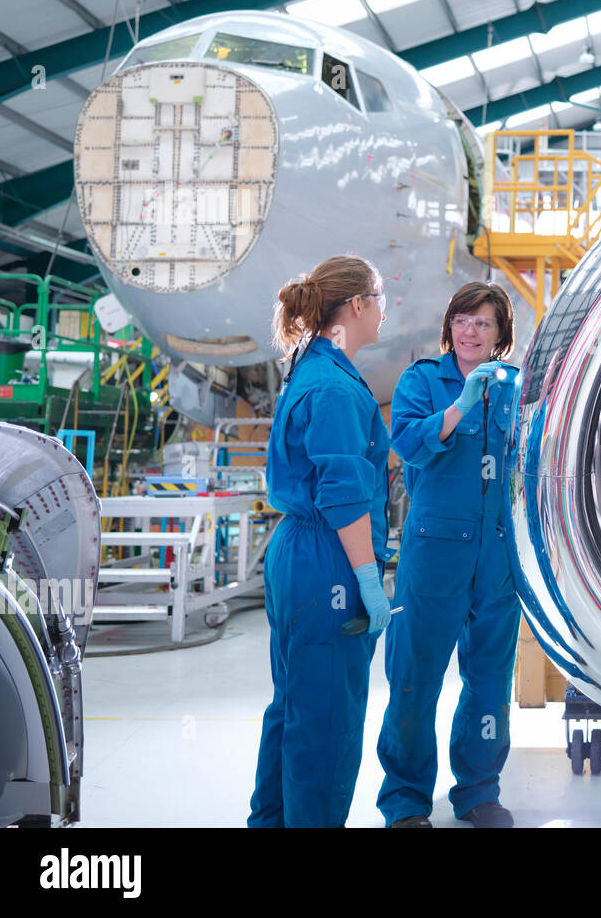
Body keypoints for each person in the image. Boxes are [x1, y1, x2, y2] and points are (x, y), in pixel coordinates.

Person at [248, 255, 393, 828]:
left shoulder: (311, 368)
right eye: (379, 296)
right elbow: (343, 497)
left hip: (298, 555)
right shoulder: (333, 387)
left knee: (293, 710)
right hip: (327, 558)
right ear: (357, 305)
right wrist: (366, 580)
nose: (385, 308)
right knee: (328, 720)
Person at [377, 281, 522, 829]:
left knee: (489, 679)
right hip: (434, 550)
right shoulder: (421, 380)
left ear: (499, 334)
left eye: (483, 323)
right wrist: (460, 408)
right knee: (415, 676)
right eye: (462, 320)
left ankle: (479, 792)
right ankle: (407, 801)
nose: (470, 331)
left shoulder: (515, 388)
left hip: (497, 552)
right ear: (449, 326)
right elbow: (408, 444)